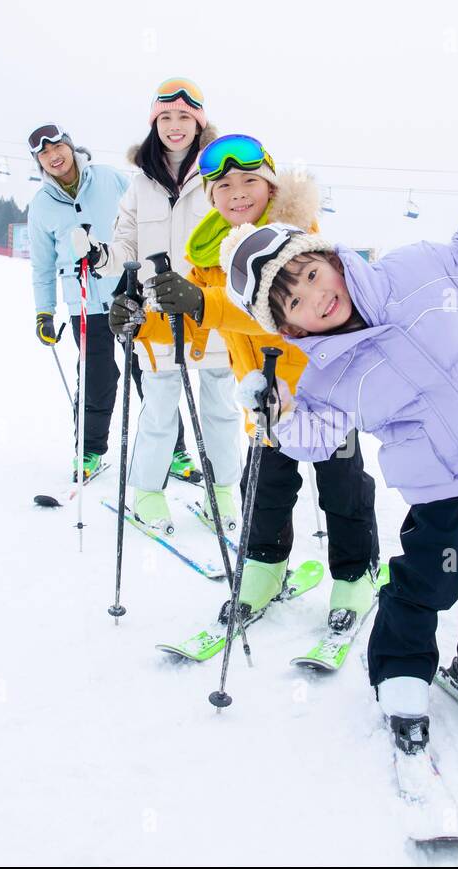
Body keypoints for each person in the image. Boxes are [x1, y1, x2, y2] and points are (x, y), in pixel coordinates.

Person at [222, 146, 458, 751]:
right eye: (294, 301)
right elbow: (317, 438)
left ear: (329, 258)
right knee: (431, 573)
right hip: (436, 476)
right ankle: (401, 670)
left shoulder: (416, 268)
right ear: (289, 328)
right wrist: (278, 417)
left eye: (312, 274)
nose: (317, 297)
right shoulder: (326, 377)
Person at [139, 133, 380, 626]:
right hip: (264, 397)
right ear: (211, 198)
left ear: (271, 186)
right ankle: (263, 570)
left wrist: (202, 302)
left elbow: (267, 311)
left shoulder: (294, 238)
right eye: (224, 187)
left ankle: (357, 576)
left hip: (322, 390)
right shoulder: (208, 255)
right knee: (265, 489)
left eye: (249, 181)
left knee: (342, 488)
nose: (238, 194)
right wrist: (142, 320)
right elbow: (197, 324)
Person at [101, 78, 238, 532]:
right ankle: (147, 493)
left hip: (211, 308)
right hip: (158, 311)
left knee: (220, 407)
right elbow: (126, 244)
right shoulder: (140, 184)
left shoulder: (219, 175)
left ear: (199, 123)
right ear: (154, 123)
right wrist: (102, 257)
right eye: (165, 117)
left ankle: (222, 492)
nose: (174, 126)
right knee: (159, 406)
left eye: (183, 117)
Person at [26, 123, 132, 482]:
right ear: (39, 162)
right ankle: (89, 452)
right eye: (44, 153)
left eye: (57, 147)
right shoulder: (42, 206)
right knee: (96, 379)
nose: (53, 156)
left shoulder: (108, 178)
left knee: (150, 373)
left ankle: (173, 450)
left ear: (70, 147)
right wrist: (44, 312)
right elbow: (42, 266)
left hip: (128, 294)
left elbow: (142, 222)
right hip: (84, 304)